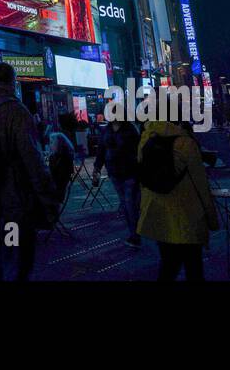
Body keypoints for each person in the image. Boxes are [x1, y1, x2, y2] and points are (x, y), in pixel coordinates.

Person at [0, 62, 59, 281]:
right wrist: (48, 196)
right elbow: (33, 159)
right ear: (13, 82)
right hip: (11, 205)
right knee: (14, 255)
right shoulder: (15, 111)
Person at [136, 120, 219, 280]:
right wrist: (211, 219)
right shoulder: (186, 143)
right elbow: (200, 185)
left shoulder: (145, 141)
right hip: (188, 214)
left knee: (168, 265)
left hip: (159, 215)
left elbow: (144, 181)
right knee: (193, 267)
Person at [94, 118, 143, 247]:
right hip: (114, 172)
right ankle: (134, 231)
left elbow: (138, 149)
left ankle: (135, 235)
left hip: (129, 171)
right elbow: (101, 150)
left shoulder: (130, 129)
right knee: (126, 203)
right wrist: (97, 168)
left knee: (129, 204)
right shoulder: (106, 130)